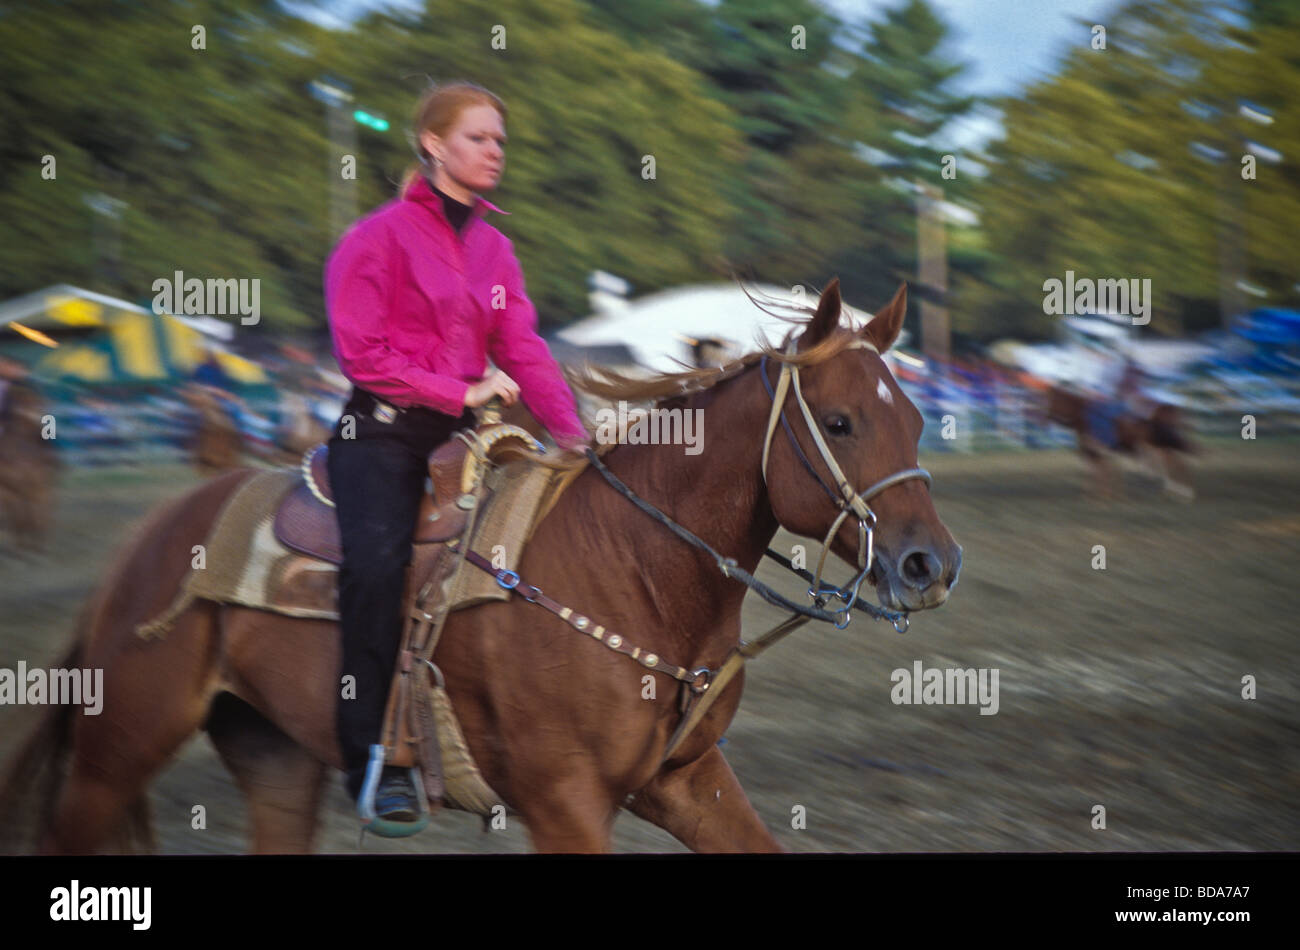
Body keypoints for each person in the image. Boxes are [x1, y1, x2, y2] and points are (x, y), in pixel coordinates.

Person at [324, 81, 589, 829]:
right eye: (478, 137)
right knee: (378, 568)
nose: (495, 150)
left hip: (464, 439)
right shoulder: (375, 239)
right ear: (435, 146)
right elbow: (362, 354)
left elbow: (522, 348)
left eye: (500, 139)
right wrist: (462, 393)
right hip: (379, 434)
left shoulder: (496, 249)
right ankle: (376, 759)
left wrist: (573, 436)